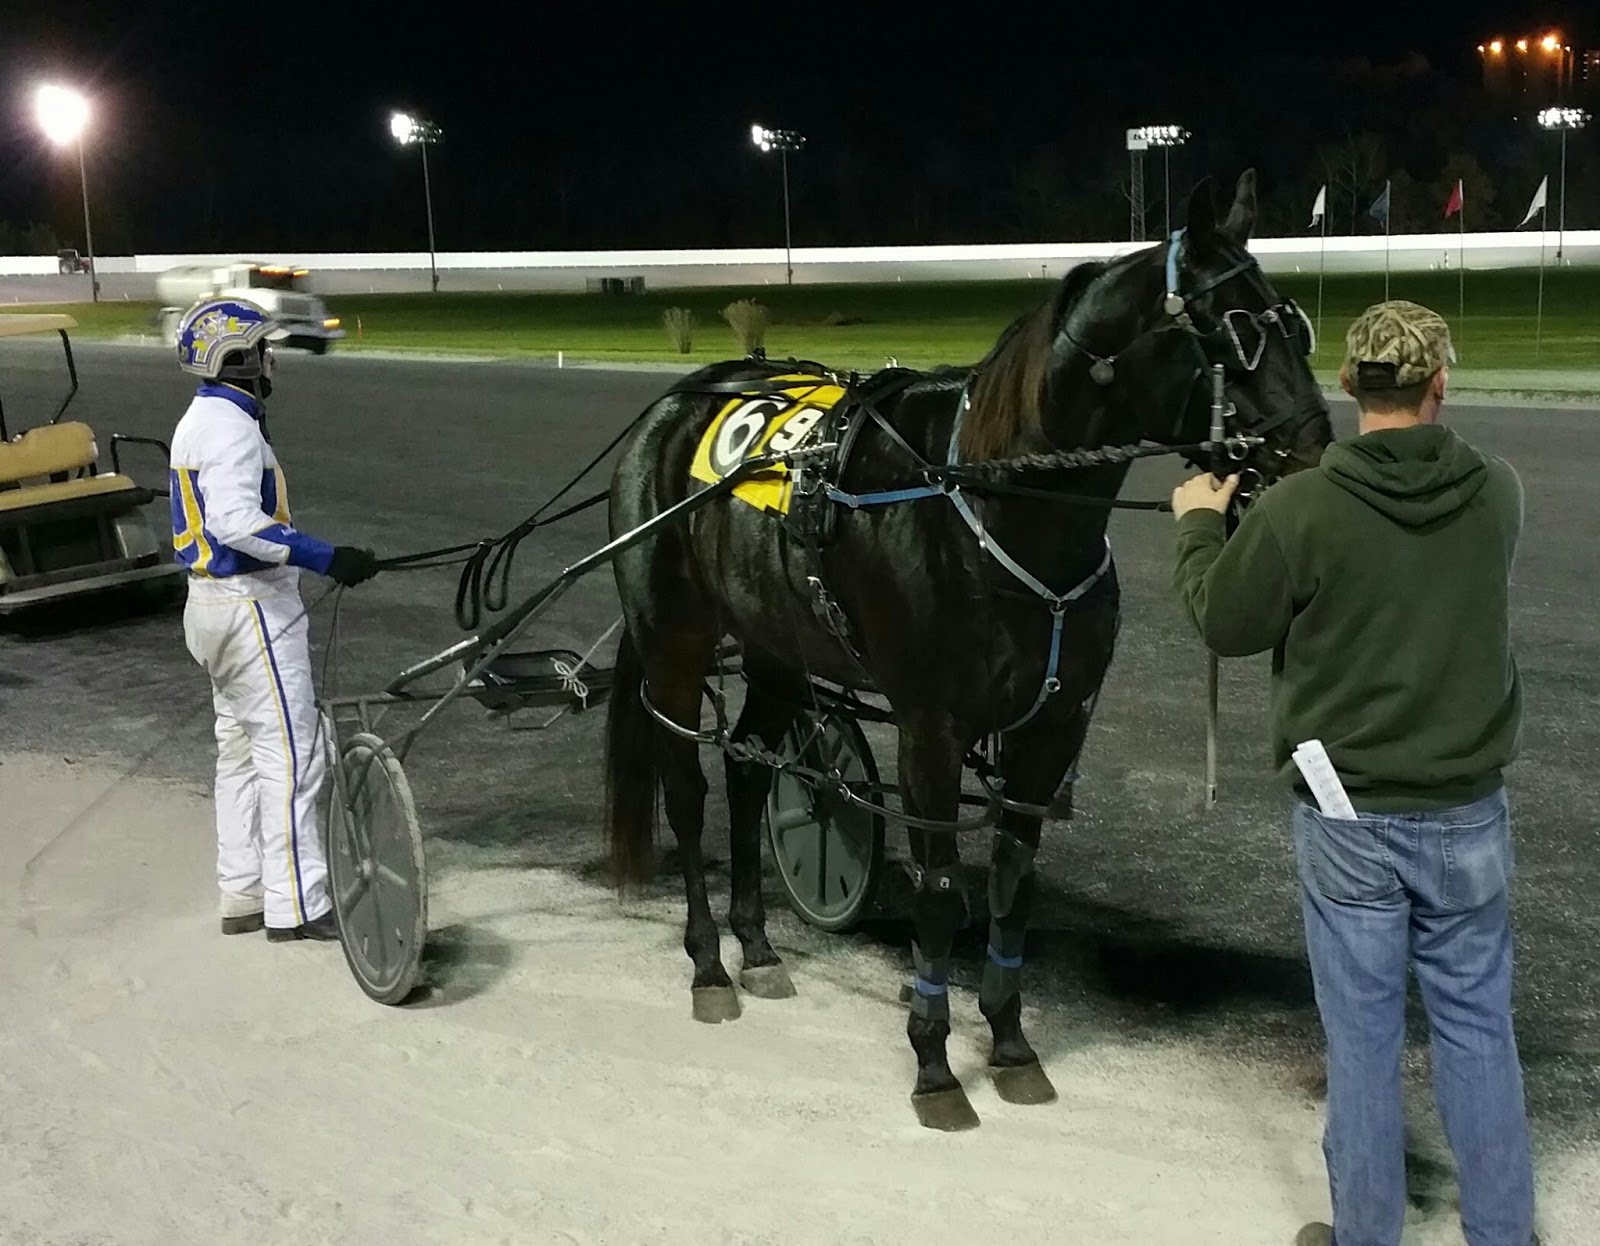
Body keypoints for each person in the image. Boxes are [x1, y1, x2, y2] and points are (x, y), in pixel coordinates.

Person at [1168, 301, 1535, 1246]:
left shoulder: (1301, 509)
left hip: (1348, 818)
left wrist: (1202, 526)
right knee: (1477, 1028)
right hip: (1466, 809)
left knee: (1364, 1040)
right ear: (1439, 384)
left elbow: (1226, 622)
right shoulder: (1498, 490)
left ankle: (1368, 1232)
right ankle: (1502, 1230)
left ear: (1349, 386)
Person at [169, 297, 380, 942]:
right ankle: (300, 906)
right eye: (262, 350)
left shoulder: (198, 419)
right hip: (250, 608)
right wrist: (325, 556)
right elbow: (235, 522)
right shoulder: (233, 429)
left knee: (236, 751)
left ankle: (242, 892)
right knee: (293, 755)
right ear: (238, 360)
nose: (269, 362)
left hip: (207, 612)